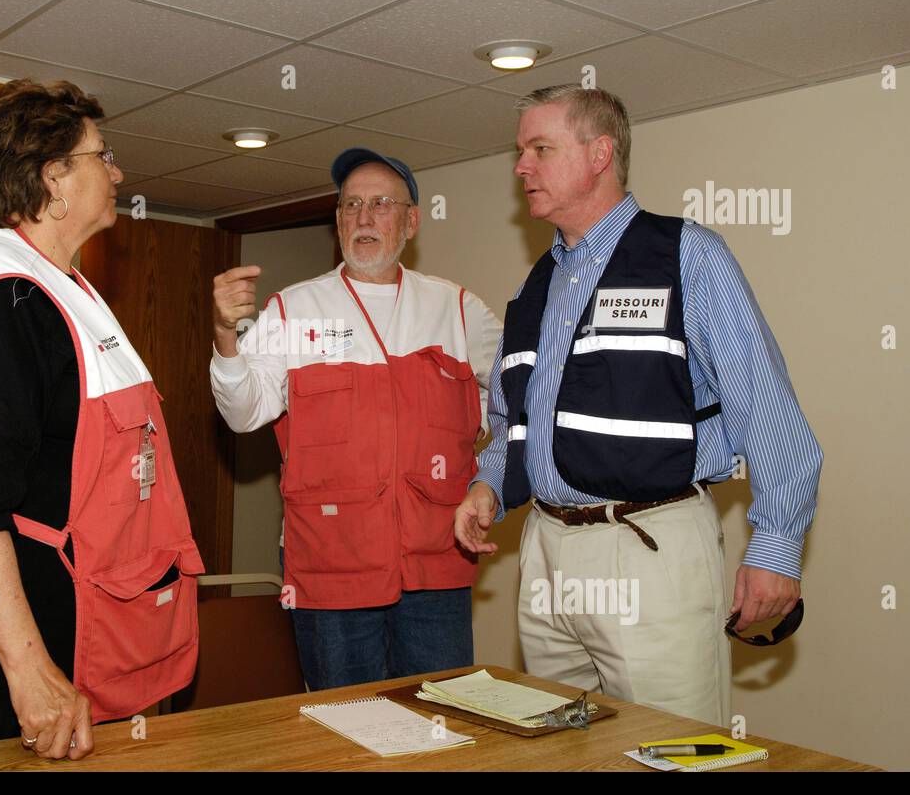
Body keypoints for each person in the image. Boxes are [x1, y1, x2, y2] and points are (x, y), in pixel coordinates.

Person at [455, 84, 822, 725]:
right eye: (520, 151)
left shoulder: (689, 257)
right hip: (546, 549)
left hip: (650, 544)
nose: (521, 167)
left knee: (672, 753)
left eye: (540, 148)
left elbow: (765, 405)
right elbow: (519, 417)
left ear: (600, 154)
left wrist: (777, 548)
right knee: (559, 750)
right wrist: (489, 484)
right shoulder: (536, 285)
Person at [0, 79, 204, 760]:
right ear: (54, 180)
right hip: (36, 665)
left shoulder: (59, 288)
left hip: (92, 644)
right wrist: (30, 674)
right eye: (100, 156)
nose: (116, 172)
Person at [210, 148, 501, 690]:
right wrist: (227, 336)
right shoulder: (294, 310)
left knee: (445, 722)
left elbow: (517, 405)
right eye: (350, 206)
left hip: (435, 571)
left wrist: (486, 472)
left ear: (411, 220)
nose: (363, 219)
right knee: (345, 728)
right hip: (331, 573)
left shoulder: (459, 311)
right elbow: (244, 412)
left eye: (380, 205)